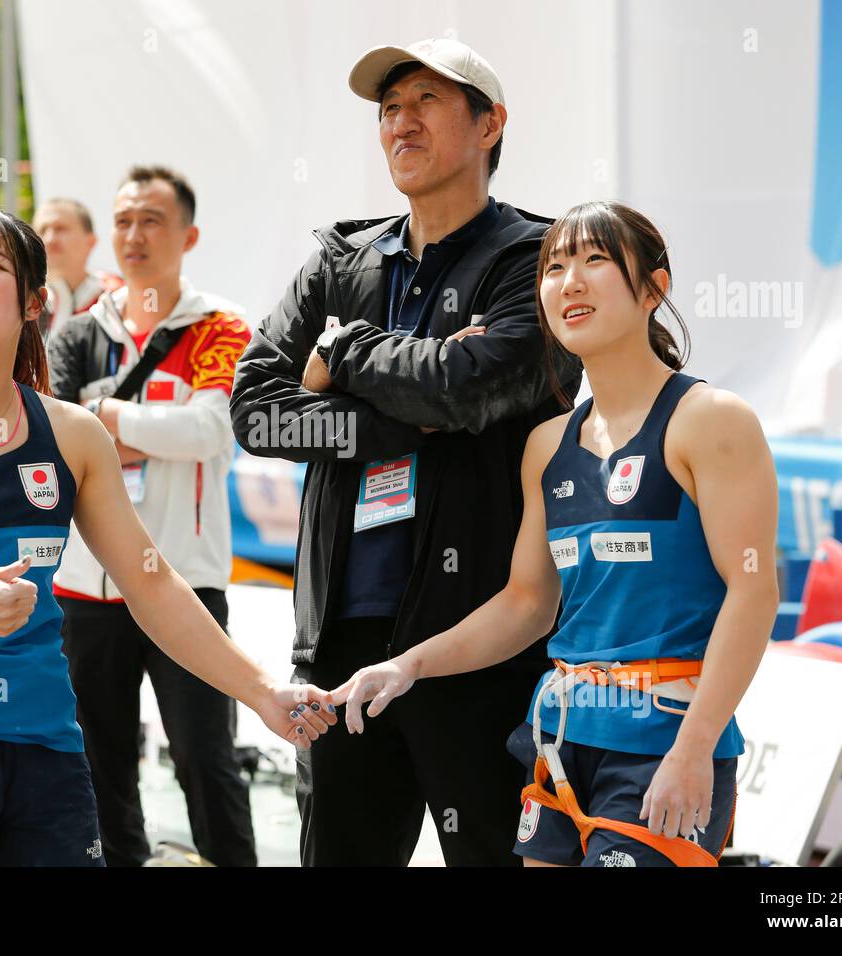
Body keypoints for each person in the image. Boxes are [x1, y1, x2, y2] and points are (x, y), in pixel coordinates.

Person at [0, 207, 336, 867]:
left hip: (50, 758)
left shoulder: (72, 435)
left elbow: (151, 580)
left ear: (35, 302)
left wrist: (264, 692)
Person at [334, 201, 780, 867]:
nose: (568, 281)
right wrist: (408, 664)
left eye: (595, 260)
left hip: (665, 744)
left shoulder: (709, 419)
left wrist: (694, 748)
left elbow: (754, 592)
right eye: (554, 266)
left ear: (655, 287)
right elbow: (526, 603)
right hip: (560, 745)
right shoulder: (548, 443)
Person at [229, 38, 582, 866]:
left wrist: (344, 357)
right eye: (389, 108)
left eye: (425, 100)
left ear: (489, 124)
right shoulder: (340, 258)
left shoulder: (538, 258)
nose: (400, 122)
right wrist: (393, 421)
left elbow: (468, 389)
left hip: (483, 641)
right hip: (343, 647)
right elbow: (257, 416)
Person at [46, 166, 258, 866]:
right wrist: (143, 428)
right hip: (85, 587)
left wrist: (104, 417)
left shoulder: (221, 327)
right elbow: (57, 439)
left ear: (188, 236)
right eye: (124, 221)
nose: (133, 235)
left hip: (184, 585)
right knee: (100, 768)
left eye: (152, 220)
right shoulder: (76, 334)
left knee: (205, 758)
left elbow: (210, 432)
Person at [30, 198, 122, 339]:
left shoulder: (117, 296)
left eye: (60, 229)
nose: (50, 239)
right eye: (42, 230)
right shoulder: (24, 303)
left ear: (90, 241)